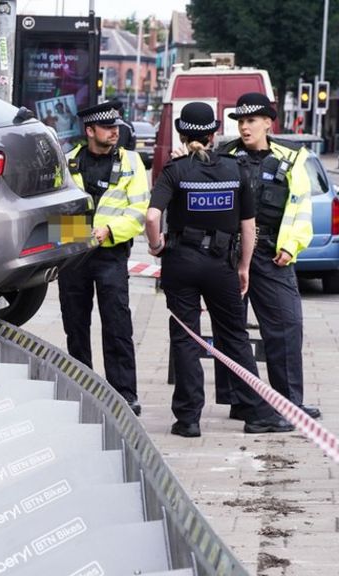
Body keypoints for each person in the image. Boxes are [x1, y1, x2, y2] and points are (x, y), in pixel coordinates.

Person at [145, 102, 295, 437]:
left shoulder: (175, 170)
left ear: (182, 133)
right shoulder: (234, 169)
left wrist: (156, 247)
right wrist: (243, 266)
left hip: (181, 262)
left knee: (185, 338)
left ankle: (188, 419)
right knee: (234, 336)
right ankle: (257, 412)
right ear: (214, 134)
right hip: (220, 264)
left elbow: (153, 217)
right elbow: (248, 226)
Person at [216, 92, 320, 420]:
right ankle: (241, 401)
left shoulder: (292, 157)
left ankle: (289, 401)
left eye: (251, 121)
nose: (244, 128)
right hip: (229, 254)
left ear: (267, 123)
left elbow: (301, 207)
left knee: (286, 327)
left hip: (271, 253)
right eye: (241, 122)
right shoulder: (223, 155)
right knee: (231, 329)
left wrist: (291, 246)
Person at [61, 100, 149, 416]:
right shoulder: (68, 162)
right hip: (74, 255)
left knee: (117, 325)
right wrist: (80, 236)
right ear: (90, 131)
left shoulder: (131, 162)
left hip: (111, 253)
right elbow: (55, 211)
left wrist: (106, 231)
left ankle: (125, 394)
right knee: (76, 325)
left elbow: (137, 213)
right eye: (107, 128)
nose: (114, 132)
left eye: (116, 127)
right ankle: (82, 388)